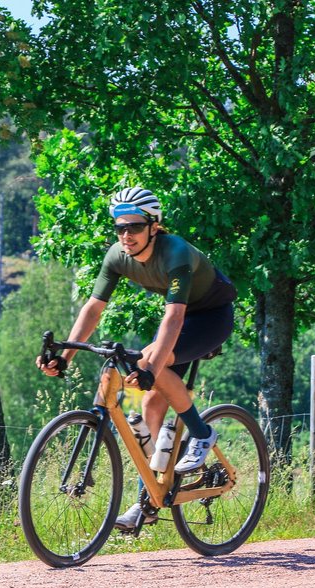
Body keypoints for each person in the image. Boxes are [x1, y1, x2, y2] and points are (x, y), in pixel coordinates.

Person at [37, 186, 237, 531]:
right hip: (180, 318)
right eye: (119, 228)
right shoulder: (117, 256)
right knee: (147, 410)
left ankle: (202, 433)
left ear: (154, 226)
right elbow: (93, 310)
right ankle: (151, 497)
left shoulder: (175, 253)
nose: (126, 235)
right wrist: (66, 355)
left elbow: (173, 319)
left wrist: (150, 368)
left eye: (134, 227)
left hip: (210, 317)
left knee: (149, 363)